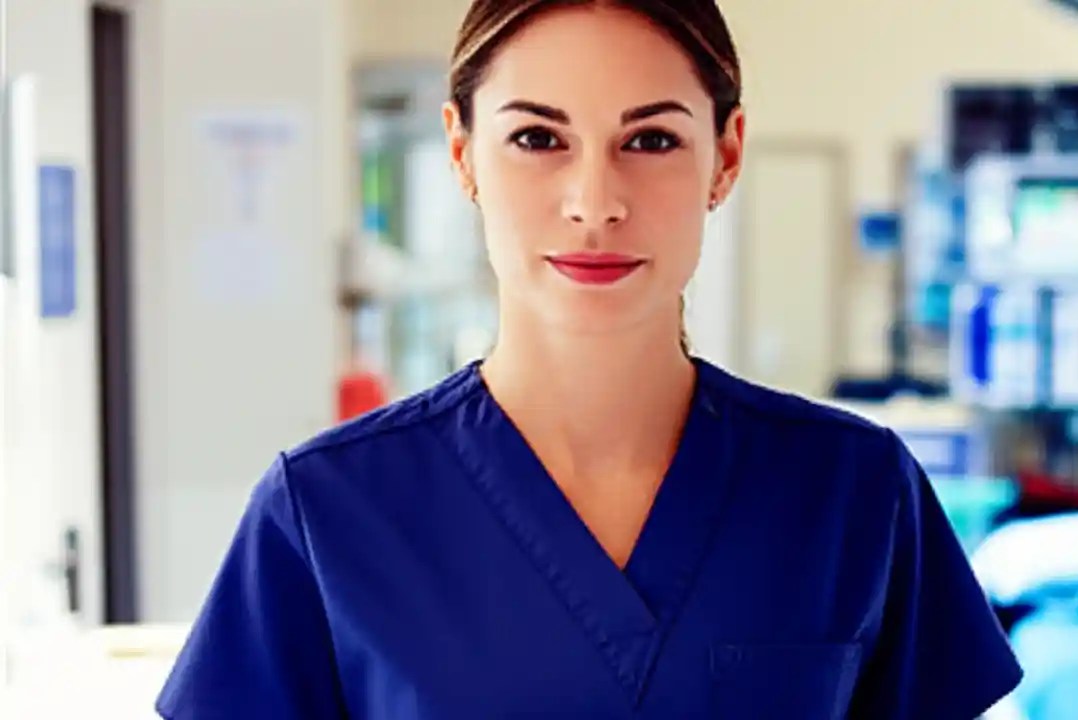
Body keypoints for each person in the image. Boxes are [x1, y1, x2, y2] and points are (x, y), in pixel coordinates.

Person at [156, 1, 1022, 717]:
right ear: (462, 152)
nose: (594, 203)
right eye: (538, 139)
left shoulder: (853, 494)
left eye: (650, 141)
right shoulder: (326, 515)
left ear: (725, 155)